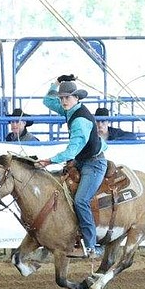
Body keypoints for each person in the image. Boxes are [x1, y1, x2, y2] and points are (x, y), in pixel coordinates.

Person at [36, 75, 108, 258]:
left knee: (81, 200)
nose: (63, 101)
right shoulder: (70, 109)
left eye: (67, 97)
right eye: (61, 98)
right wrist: (57, 82)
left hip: (94, 163)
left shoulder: (80, 120)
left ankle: (91, 246)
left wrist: (49, 160)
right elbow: (47, 100)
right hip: (83, 160)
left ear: (76, 98)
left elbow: (71, 151)